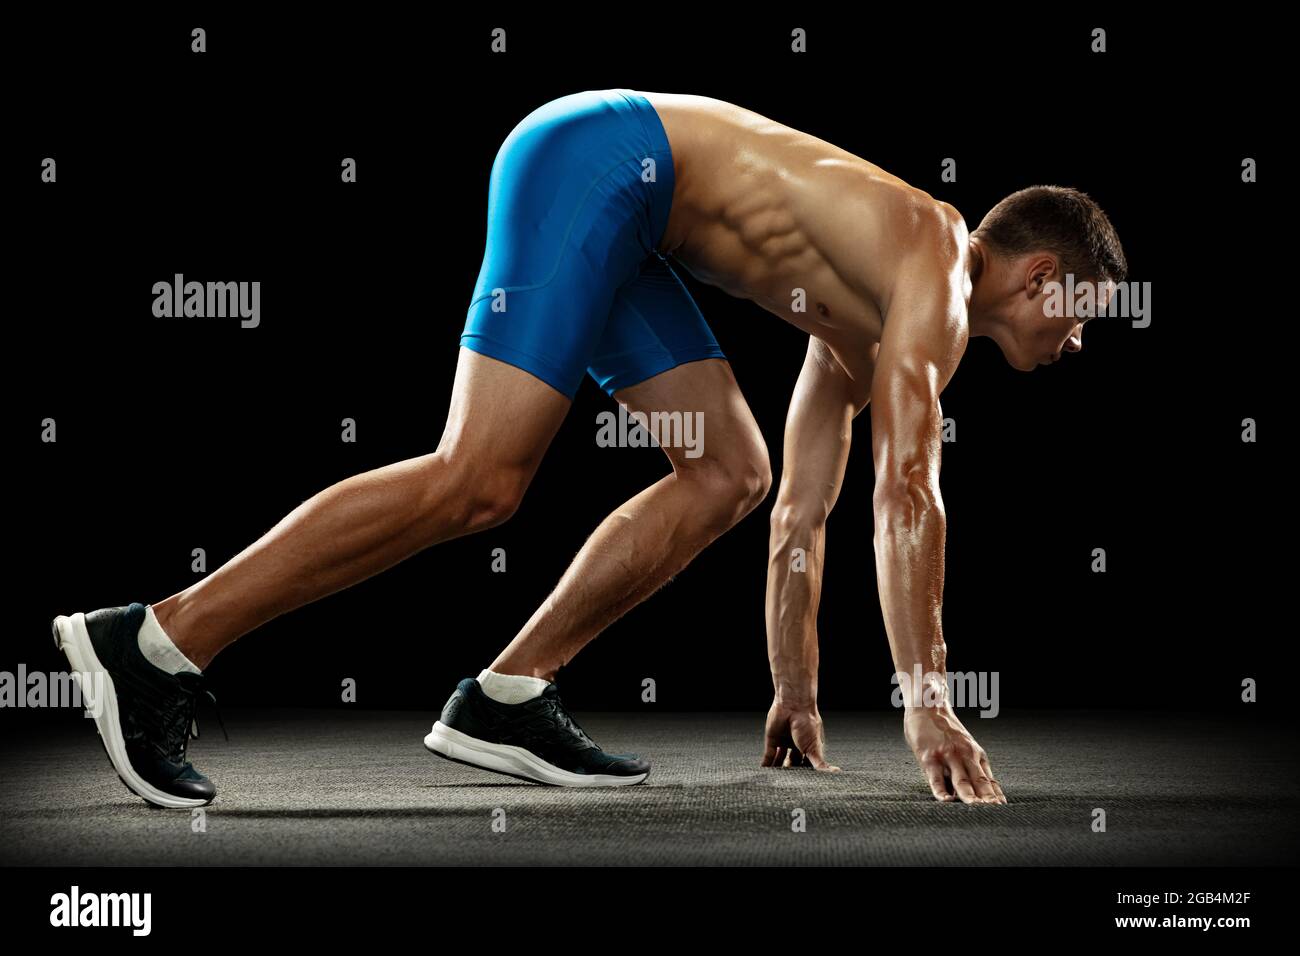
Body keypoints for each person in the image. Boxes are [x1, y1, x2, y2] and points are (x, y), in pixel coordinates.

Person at [53, 89, 1123, 806]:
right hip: (602, 158)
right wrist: (929, 706)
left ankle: (507, 694)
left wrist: (797, 689)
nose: (1075, 342)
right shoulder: (932, 275)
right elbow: (910, 495)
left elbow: (802, 511)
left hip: (629, 208)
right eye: (1078, 314)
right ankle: (150, 645)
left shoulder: (875, 321)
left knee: (730, 474)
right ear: (1036, 275)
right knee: (478, 480)